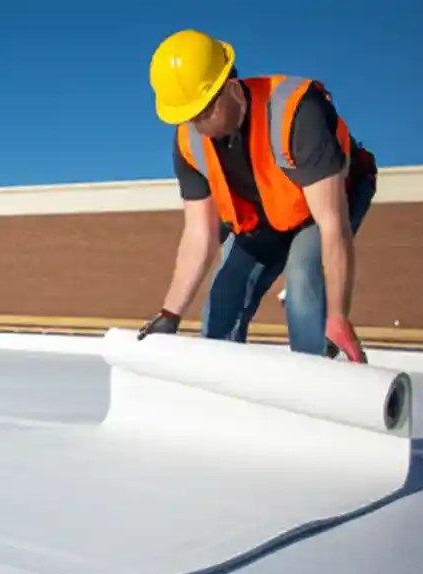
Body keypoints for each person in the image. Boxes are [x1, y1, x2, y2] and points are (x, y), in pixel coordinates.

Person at [135, 29, 377, 363]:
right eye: (190, 117)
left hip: (323, 205)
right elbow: (199, 234)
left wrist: (338, 317)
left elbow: (332, 224)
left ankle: (316, 376)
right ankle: (223, 389)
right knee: (224, 295)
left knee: (302, 275)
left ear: (231, 88)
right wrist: (170, 314)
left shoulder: (296, 112)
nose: (198, 127)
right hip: (267, 213)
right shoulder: (189, 144)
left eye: (205, 113)